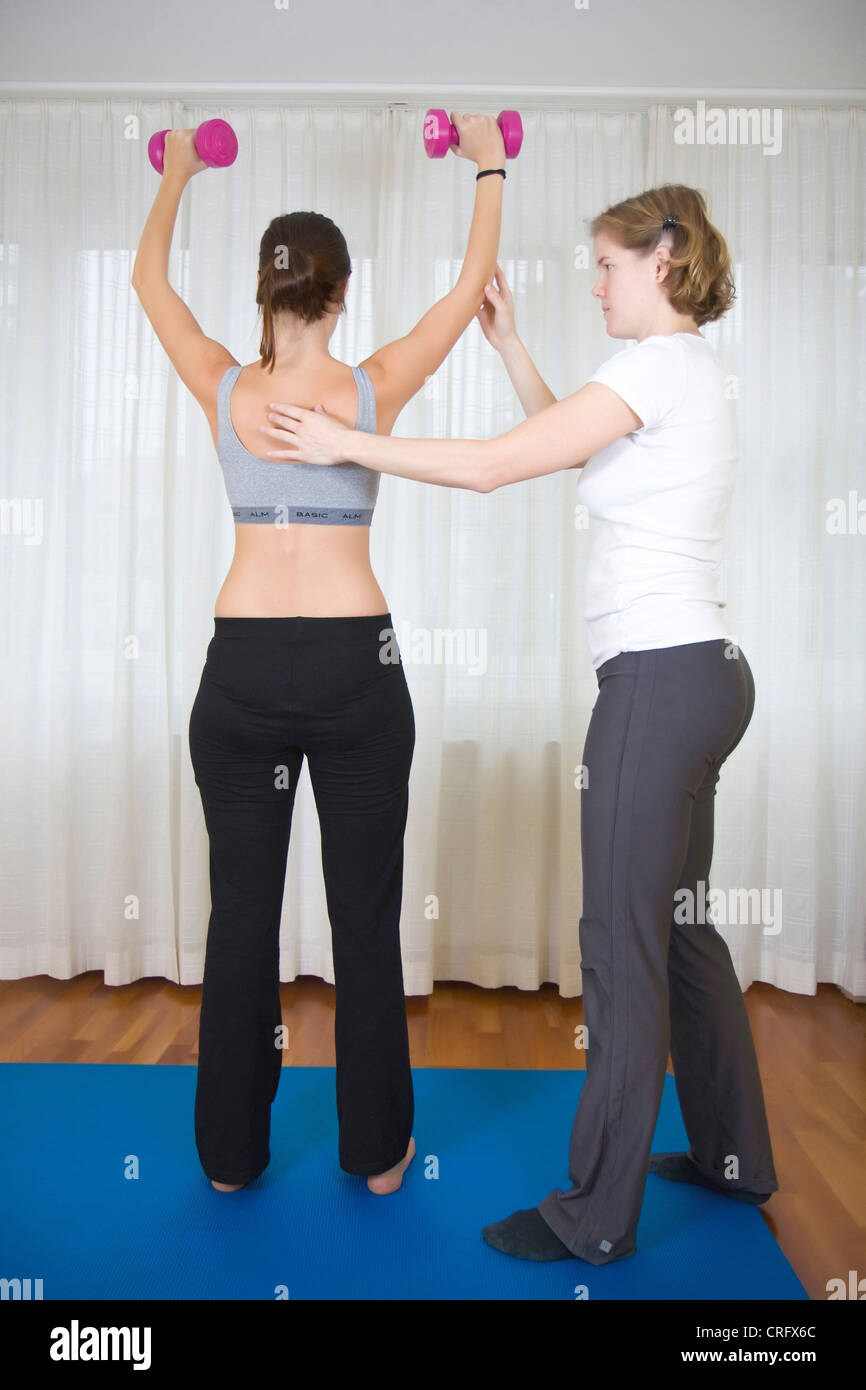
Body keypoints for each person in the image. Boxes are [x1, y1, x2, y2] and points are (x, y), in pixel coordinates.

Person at [260, 183, 780, 1265]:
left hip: (654, 683)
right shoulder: (683, 373)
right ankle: (735, 1158)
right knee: (679, 929)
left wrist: (345, 441)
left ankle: (593, 1216)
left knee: (622, 948)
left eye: (605, 264)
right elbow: (582, 453)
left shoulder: (651, 367)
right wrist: (506, 349)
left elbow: (501, 464)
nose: (593, 283)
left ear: (665, 257)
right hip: (707, 677)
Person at [130, 113, 508, 1195]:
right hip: (357, 675)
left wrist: (180, 171)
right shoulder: (373, 384)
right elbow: (471, 278)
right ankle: (378, 1153)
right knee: (363, 918)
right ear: (339, 294)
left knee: (240, 915)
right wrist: (485, 157)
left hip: (240, 674)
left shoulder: (220, 384)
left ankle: (229, 1158)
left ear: (264, 290)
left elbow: (149, 285)